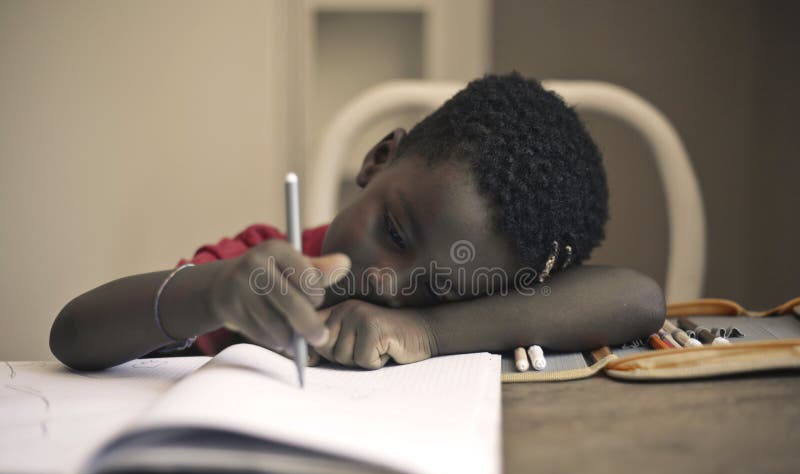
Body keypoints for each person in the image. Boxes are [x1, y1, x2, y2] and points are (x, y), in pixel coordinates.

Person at [50, 73, 665, 371]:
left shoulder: (471, 308)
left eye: (442, 286)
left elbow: (638, 297)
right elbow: (71, 334)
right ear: (378, 159)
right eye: (395, 234)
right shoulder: (269, 267)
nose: (393, 286)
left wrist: (427, 331)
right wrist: (213, 292)